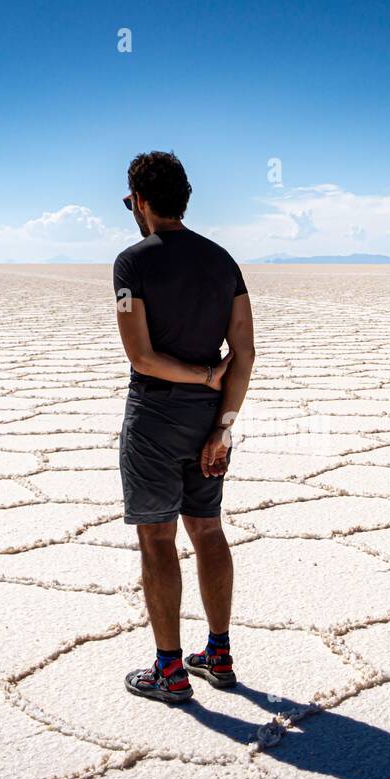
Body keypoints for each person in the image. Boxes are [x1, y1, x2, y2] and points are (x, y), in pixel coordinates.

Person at [113, 151, 256, 704]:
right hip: (208, 419)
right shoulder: (223, 261)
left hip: (155, 417)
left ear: (141, 201)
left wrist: (196, 375)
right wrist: (223, 428)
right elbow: (243, 353)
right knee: (208, 529)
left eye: (132, 201)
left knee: (156, 537)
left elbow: (142, 357)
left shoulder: (133, 263)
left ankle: (170, 671)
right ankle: (217, 654)